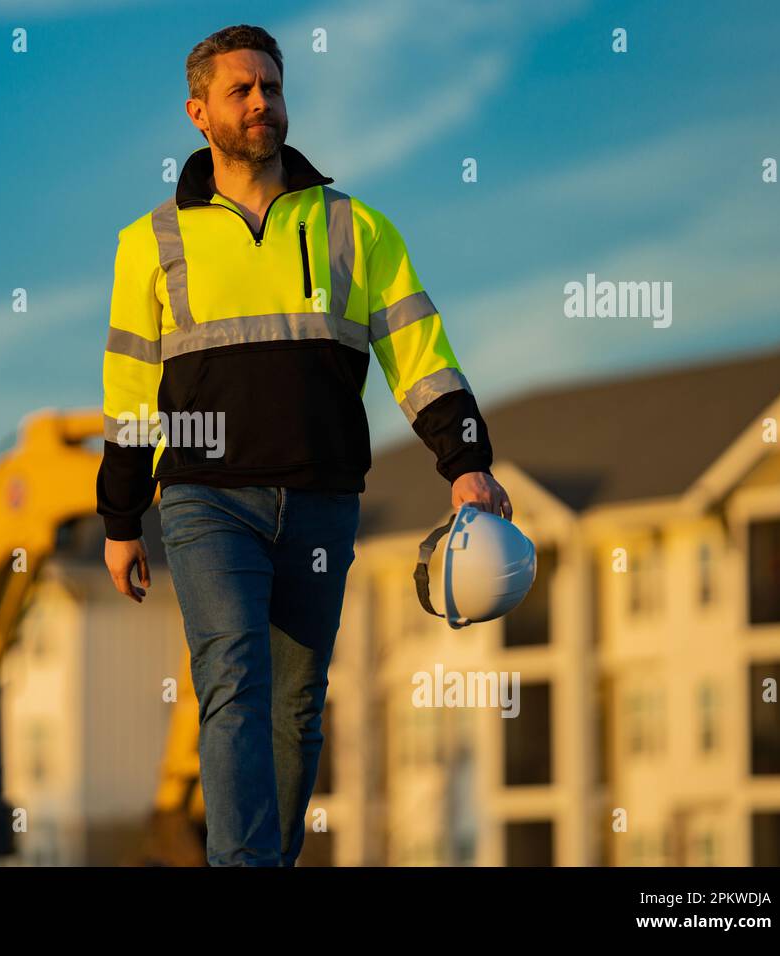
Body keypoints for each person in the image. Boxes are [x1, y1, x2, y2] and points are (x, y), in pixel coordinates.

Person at [96, 23, 512, 867]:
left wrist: (467, 464)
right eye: (241, 89)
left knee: (296, 705)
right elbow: (131, 387)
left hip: (322, 498)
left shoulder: (357, 227)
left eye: (272, 87)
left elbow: (419, 354)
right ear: (198, 111)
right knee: (233, 681)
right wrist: (119, 517)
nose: (261, 102)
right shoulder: (151, 241)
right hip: (205, 497)